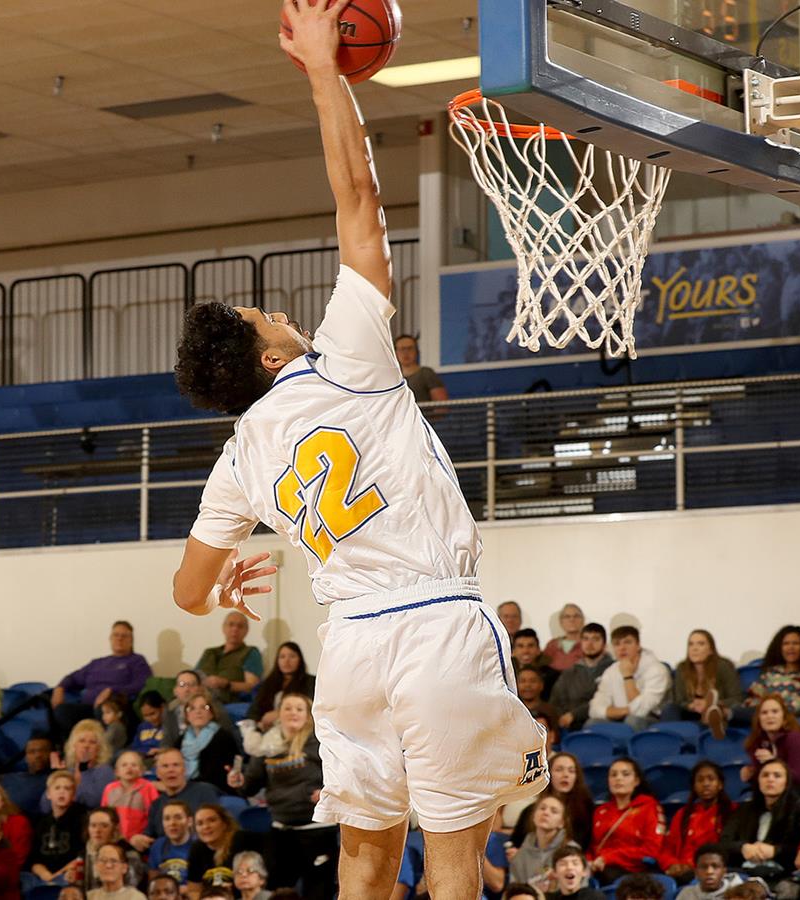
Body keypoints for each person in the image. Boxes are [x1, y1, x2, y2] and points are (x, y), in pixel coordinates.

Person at [172, 10, 554, 900]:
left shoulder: (239, 459)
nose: (281, 313)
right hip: (436, 626)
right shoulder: (347, 356)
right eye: (267, 318)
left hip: (348, 649)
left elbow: (187, 593)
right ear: (271, 359)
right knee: (454, 851)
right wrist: (323, 70)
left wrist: (221, 591)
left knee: (366, 855)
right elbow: (359, 199)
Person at [227, 693, 334, 897]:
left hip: (317, 829)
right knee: (277, 891)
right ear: (279, 714)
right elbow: (250, 785)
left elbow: (340, 774)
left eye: (299, 709)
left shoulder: (320, 741)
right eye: (288, 708)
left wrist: (327, 791)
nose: (293, 713)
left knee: (318, 892)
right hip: (281, 828)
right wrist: (239, 781)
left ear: (308, 715)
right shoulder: (267, 744)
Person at [718, 759, 800, 884]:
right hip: (743, 873)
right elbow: (724, 842)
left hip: (784, 875)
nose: (770, 779)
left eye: (777, 776)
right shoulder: (744, 809)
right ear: (758, 780)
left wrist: (775, 851)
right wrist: (743, 848)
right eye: (765, 775)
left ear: (786, 782)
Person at [51, 623, 153, 732]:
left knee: (105, 709)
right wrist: (60, 688)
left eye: (124, 636)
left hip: (114, 707)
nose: (119, 638)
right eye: (116, 635)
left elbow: (141, 684)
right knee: (61, 711)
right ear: (110, 638)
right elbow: (73, 678)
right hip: (88, 707)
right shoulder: (97, 663)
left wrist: (112, 690)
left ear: (131, 640)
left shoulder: (137, 661)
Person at [589, 758, 663, 882]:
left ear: (636, 781)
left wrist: (608, 858)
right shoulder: (600, 811)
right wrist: (588, 861)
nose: (618, 778)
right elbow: (592, 847)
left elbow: (651, 849)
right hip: (599, 867)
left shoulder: (649, 807)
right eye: (613, 775)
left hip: (633, 870)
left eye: (625, 774)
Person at [659, 762, 734, 883]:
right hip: (680, 871)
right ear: (694, 786)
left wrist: (692, 866)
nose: (706, 784)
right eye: (700, 780)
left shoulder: (731, 812)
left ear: (720, 784)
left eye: (711, 779)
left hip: (711, 871)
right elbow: (667, 848)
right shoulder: (683, 814)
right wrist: (671, 864)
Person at [135, 748, 220, 853]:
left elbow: (218, 828)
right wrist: (139, 839)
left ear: (184, 769)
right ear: (157, 773)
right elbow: (149, 836)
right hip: (167, 858)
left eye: (176, 765)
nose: (171, 770)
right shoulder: (156, 805)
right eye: (165, 766)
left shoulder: (204, 791)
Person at [589, 625, 670, 730]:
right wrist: (623, 711)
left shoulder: (657, 670)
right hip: (618, 717)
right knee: (592, 723)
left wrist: (627, 676)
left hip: (650, 719)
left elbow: (641, 711)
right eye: (617, 644)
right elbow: (595, 709)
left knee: (632, 720)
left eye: (627, 642)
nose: (622, 648)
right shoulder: (610, 671)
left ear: (638, 646)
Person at [509, 752, 593, 852]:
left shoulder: (585, 810)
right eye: (559, 770)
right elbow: (515, 844)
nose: (565, 775)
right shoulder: (530, 811)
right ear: (548, 774)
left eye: (571, 771)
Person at [740, 626, 800, 720]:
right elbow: (754, 697)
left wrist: (777, 710)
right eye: (786, 643)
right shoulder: (770, 672)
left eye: (796, 643)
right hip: (763, 717)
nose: (790, 647)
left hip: (792, 720)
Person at [670, 631, 739, 739]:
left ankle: (713, 725)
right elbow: (679, 700)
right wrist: (691, 705)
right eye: (691, 644)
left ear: (711, 650)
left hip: (717, 712)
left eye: (701, 644)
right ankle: (670, 740)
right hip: (690, 713)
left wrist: (710, 704)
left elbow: (737, 698)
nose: (694, 648)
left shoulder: (723, 666)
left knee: (713, 710)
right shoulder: (682, 668)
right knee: (670, 708)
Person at [27, 771, 88, 889]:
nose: (62, 792)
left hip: (68, 875)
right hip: (44, 877)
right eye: (57, 788)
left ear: (73, 796)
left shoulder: (82, 818)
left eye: (67, 788)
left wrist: (57, 876)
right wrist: (45, 875)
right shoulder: (41, 823)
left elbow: (83, 855)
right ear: (48, 794)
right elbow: (34, 860)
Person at [740, 695, 800, 787]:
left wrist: (773, 762)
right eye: (764, 713)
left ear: (784, 717)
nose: (769, 716)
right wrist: (751, 773)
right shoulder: (757, 740)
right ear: (758, 718)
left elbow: (798, 777)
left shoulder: (795, 738)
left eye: (775, 711)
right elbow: (761, 779)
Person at [551, 623, 613, 731]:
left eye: (595, 639)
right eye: (586, 639)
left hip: (601, 723)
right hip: (569, 725)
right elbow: (556, 701)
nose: (590, 644)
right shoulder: (569, 672)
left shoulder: (613, 669)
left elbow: (605, 701)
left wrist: (574, 714)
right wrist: (563, 717)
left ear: (604, 644)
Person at [173, 696, 238, 793]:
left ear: (211, 713)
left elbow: (221, 774)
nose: (198, 712)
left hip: (214, 789)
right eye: (192, 708)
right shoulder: (181, 740)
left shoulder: (223, 737)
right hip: (185, 787)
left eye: (204, 707)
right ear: (187, 716)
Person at [507, 794, 572, 890]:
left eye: (554, 811)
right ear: (533, 816)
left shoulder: (570, 851)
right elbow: (514, 888)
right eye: (542, 808)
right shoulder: (523, 851)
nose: (546, 813)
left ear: (561, 823)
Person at [196, 612, 263, 704]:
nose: (235, 629)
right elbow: (192, 676)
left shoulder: (250, 652)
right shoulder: (209, 652)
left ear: (246, 630)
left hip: (228, 702)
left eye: (240, 626)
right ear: (223, 628)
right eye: (231, 625)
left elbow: (252, 686)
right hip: (198, 698)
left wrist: (226, 684)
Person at [247, 642, 316, 728]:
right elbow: (254, 711)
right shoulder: (268, 683)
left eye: (292, 656)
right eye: (282, 657)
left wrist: (280, 714)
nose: (286, 661)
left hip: (297, 727)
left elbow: (309, 708)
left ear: (300, 660)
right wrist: (258, 723)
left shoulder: (310, 682)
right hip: (266, 728)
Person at [102, 750, 161, 840]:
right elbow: (104, 814)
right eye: (124, 765)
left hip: (139, 838)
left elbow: (154, 814)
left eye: (134, 765)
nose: (129, 768)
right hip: (114, 838)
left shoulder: (148, 787)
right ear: (117, 772)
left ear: (141, 771)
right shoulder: (109, 789)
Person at [60, 720, 117, 809]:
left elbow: (95, 801)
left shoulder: (104, 771)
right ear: (74, 746)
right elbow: (46, 805)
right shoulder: (68, 772)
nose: (86, 746)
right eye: (82, 741)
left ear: (99, 749)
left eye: (92, 742)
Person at [186, 805, 249, 879]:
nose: (206, 826)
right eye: (200, 823)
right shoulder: (197, 848)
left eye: (212, 820)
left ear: (224, 824)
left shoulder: (241, 841)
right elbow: (194, 885)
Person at [146, 802, 195, 884]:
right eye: (167, 819)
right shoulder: (158, 845)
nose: (172, 823)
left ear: (190, 821)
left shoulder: (199, 846)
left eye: (178, 818)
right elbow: (154, 882)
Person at [391, 333, 447, 404]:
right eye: (402, 349)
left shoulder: (427, 373)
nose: (406, 352)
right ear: (395, 353)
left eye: (410, 348)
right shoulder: (392, 377)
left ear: (417, 351)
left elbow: (441, 404)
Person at [512, 629, 559, 698]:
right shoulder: (503, 674)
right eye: (520, 646)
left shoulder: (552, 676)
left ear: (538, 650)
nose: (526, 651)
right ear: (513, 652)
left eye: (530, 646)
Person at [544, 604, 587, 672]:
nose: (572, 619)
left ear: (583, 620)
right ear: (561, 622)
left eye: (576, 616)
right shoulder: (552, 645)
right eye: (567, 617)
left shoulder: (589, 644)